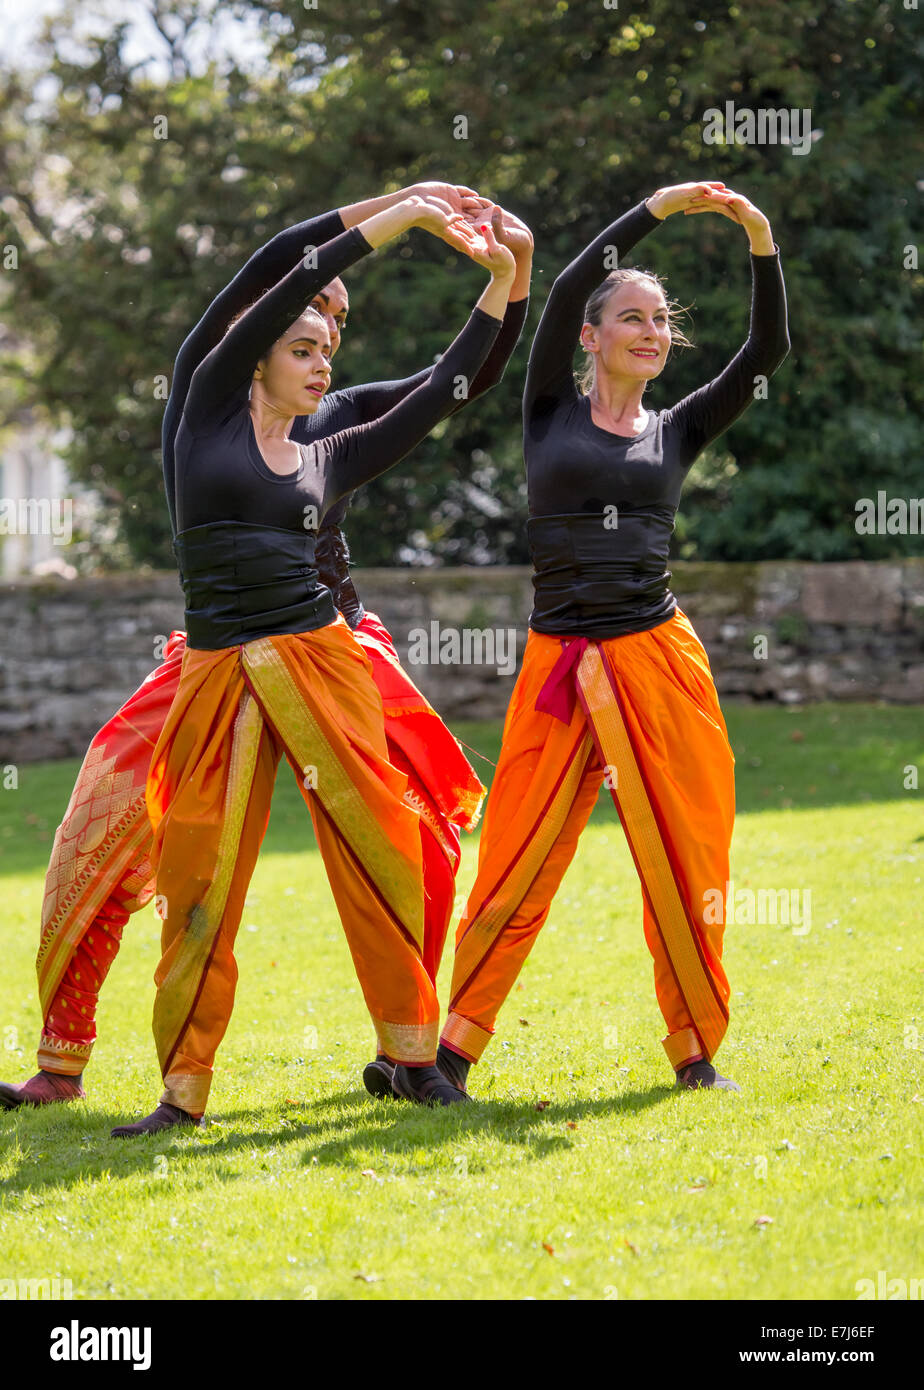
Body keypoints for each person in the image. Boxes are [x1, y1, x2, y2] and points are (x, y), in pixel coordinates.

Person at [0, 187, 532, 1112]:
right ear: (255, 340)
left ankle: (412, 1053)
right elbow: (289, 255)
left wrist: (509, 276)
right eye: (301, 325)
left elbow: (461, 381)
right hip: (212, 655)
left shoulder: (341, 425)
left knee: (415, 836)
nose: (321, 333)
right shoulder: (203, 408)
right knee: (112, 828)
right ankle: (63, 1063)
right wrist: (404, 207)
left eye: (332, 329)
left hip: (335, 647)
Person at [434, 181, 790, 1097]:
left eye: (661, 320)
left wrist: (757, 238)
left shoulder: (678, 428)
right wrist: (660, 206)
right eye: (630, 317)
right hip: (559, 661)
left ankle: (696, 1051)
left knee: (686, 850)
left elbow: (767, 350)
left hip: (656, 657)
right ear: (591, 338)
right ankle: (451, 1055)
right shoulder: (549, 408)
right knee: (515, 852)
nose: (650, 331)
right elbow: (555, 291)